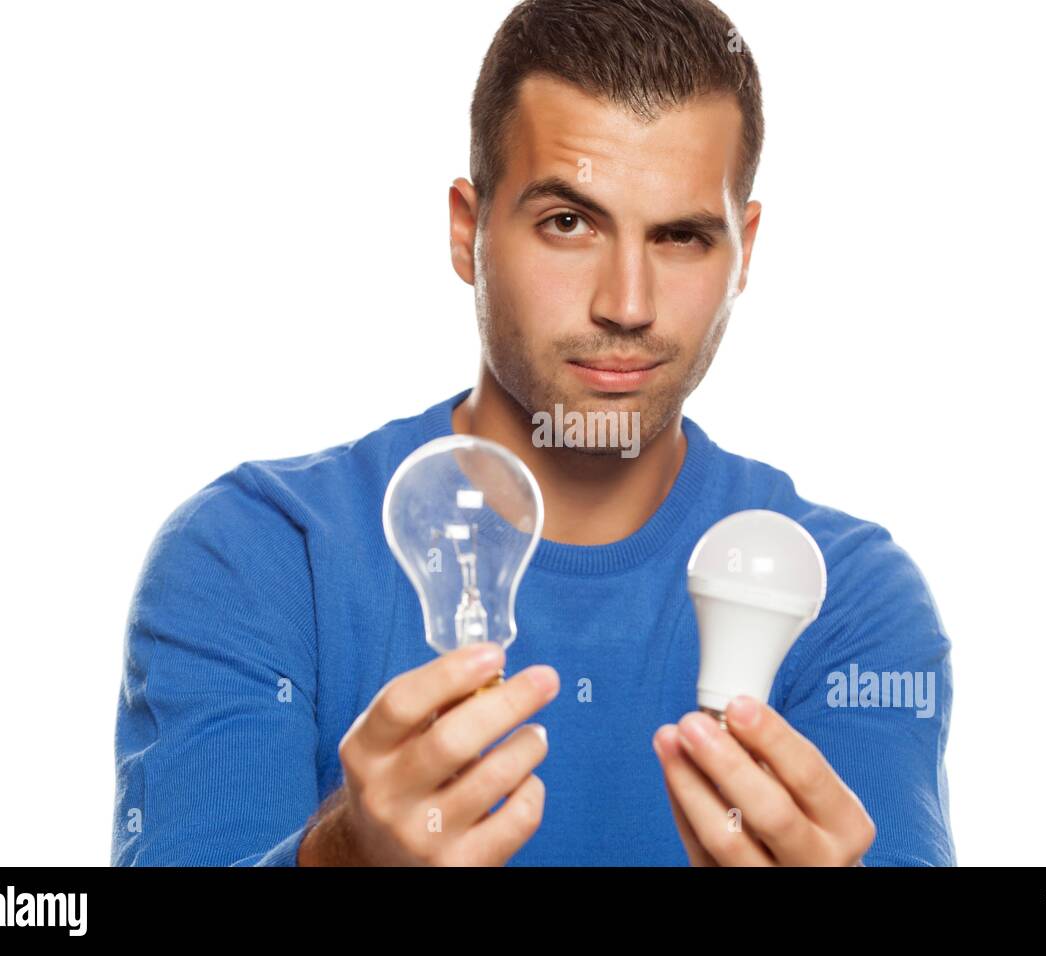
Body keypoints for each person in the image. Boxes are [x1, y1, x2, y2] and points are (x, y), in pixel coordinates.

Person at [111, 0, 957, 867]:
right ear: (466, 231)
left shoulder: (843, 597)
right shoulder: (255, 554)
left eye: (680, 237)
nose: (626, 305)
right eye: (568, 223)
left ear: (743, 251)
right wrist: (342, 860)